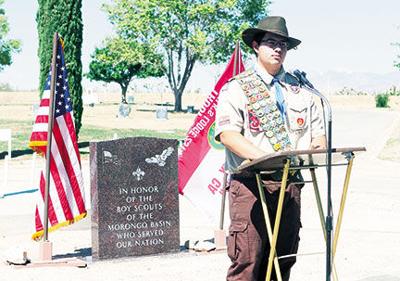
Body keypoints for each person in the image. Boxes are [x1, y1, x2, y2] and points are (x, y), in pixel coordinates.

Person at [215, 16, 326, 281]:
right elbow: (228, 135)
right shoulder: (238, 88)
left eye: (283, 45)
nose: (278, 49)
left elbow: (319, 136)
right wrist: (268, 158)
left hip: (290, 185)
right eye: (271, 43)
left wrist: (317, 149)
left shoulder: (302, 91)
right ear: (256, 45)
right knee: (248, 262)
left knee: (283, 260)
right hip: (252, 184)